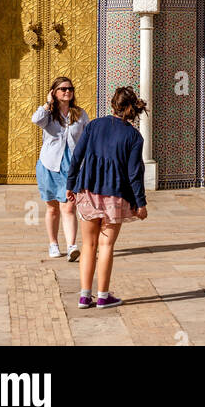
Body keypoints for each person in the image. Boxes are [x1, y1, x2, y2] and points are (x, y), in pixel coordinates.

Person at [66, 86, 148, 309]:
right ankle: (103, 296)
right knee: (107, 245)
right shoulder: (134, 136)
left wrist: (70, 184)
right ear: (132, 109)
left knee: (88, 244)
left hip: (89, 190)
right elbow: (134, 174)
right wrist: (140, 203)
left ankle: (84, 296)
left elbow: (77, 156)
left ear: (113, 104)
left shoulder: (94, 125)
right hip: (116, 194)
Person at [32, 77, 89, 261]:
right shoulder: (48, 114)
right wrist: (48, 103)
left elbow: (88, 138)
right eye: (63, 89)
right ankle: (53, 243)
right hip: (49, 164)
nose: (67, 92)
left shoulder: (80, 114)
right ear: (54, 92)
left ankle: (72, 246)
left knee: (69, 206)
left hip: (72, 166)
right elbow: (35, 120)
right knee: (53, 209)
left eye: (70, 88)